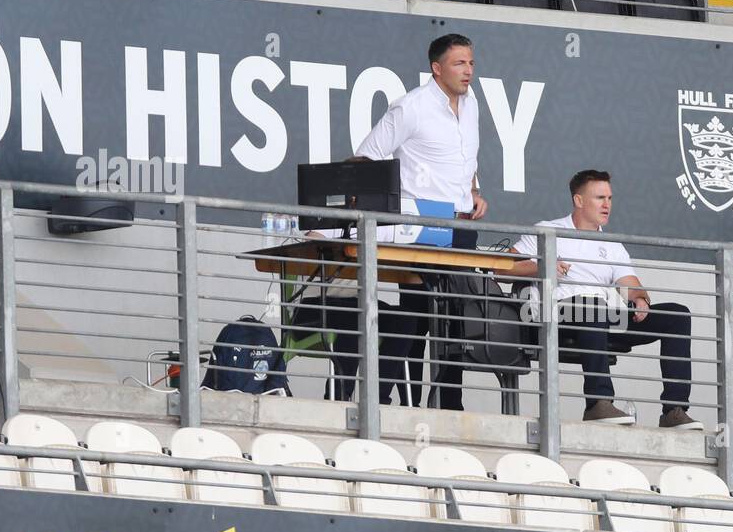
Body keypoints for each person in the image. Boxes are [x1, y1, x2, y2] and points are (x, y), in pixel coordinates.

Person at [302, 33, 487, 408]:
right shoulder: (411, 107)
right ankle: (398, 399)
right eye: (459, 63)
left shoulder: (472, 105)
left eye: (470, 63)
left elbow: (466, 157)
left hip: (463, 223)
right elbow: (366, 158)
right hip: (422, 227)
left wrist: (474, 189)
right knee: (418, 315)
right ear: (437, 68)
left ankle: (449, 403)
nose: (468, 71)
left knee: (454, 316)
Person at [511, 169, 704, 430]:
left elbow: (631, 286)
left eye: (610, 198)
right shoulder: (548, 230)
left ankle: (674, 410)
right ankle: (598, 403)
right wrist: (542, 266)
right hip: (560, 317)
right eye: (600, 198)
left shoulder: (612, 244)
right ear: (579, 201)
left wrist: (640, 299)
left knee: (677, 315)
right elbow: (503, 267)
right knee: (593, 305)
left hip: (603, 317)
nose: (607, 205)